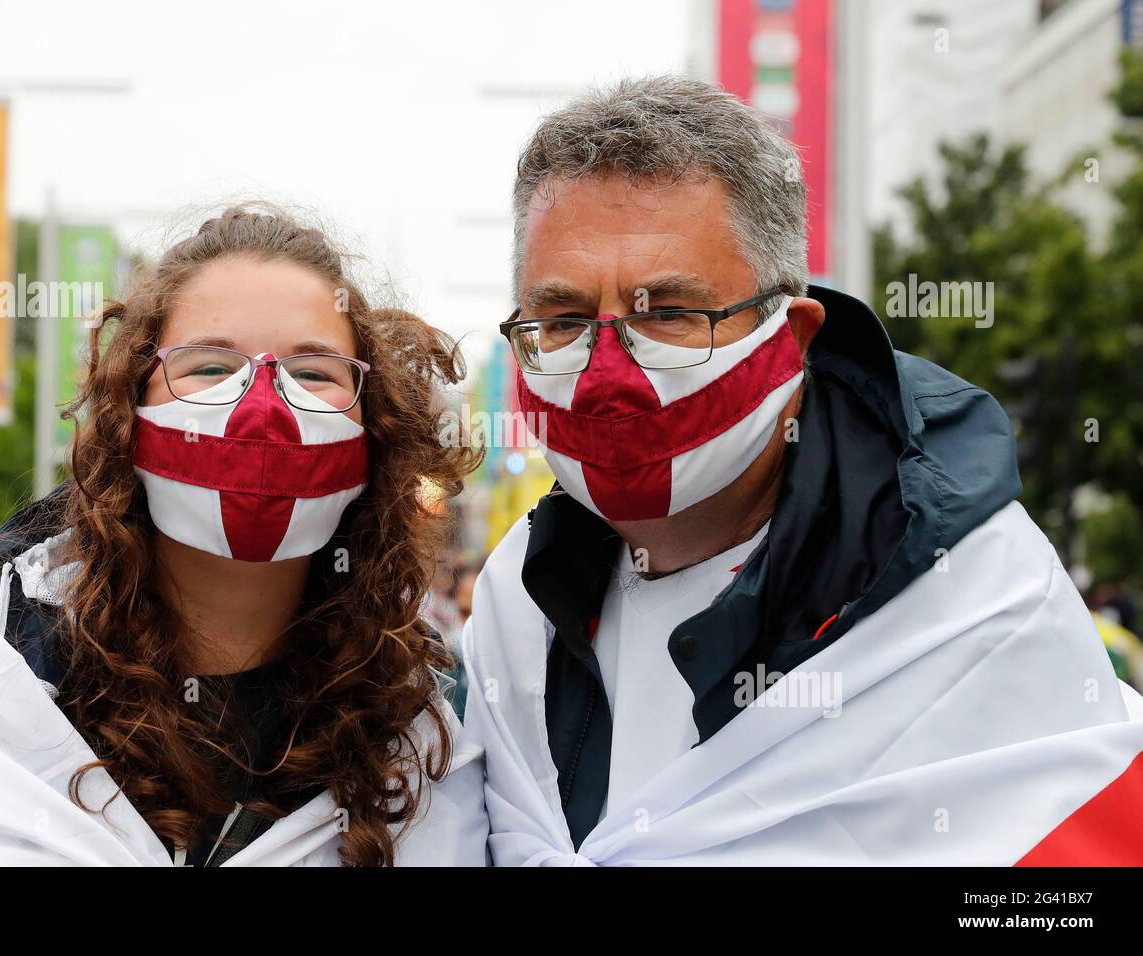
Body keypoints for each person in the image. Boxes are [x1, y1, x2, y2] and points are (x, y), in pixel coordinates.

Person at [461, 76, 1143, 865]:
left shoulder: (971, 602)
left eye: (670, 314)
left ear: (794, 339)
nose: (607, 370)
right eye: (565, 320)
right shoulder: (516, 608)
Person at [0, 204, 489, 866]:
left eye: (314, 373)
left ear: (372, 433)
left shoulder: (421, 741)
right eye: (210, 368)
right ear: (131, 410)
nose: (261, 408)